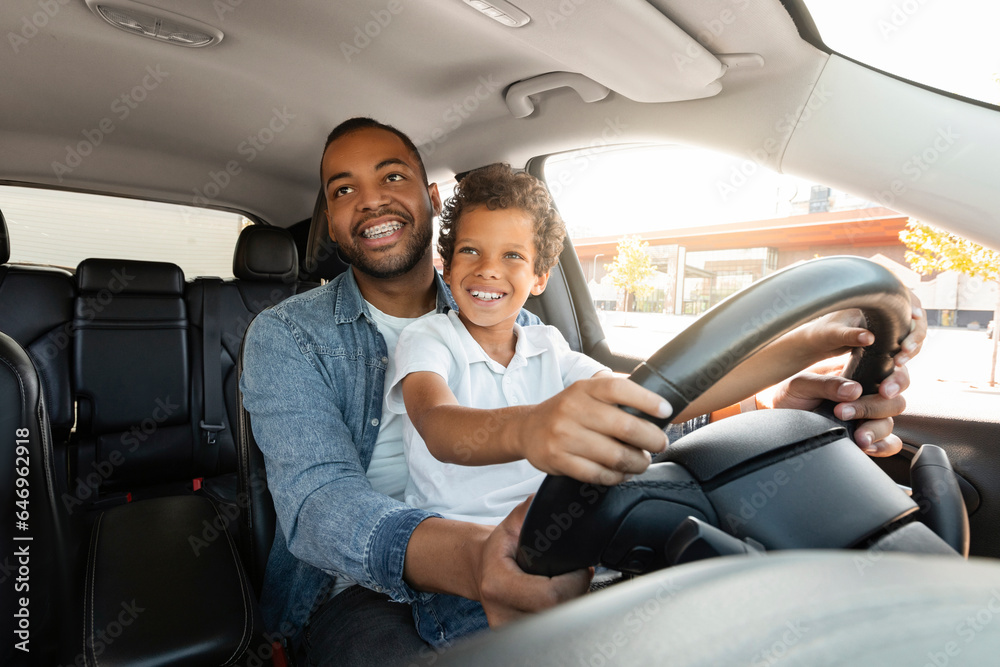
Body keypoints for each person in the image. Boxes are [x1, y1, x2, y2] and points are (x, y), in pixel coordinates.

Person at [239, 117, 927, 666]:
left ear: (429, 198)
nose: (369, 200)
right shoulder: (289, 336)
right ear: (328, 224)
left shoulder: (527, 330)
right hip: (366, 584)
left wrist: (778, 391)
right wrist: (476, 557)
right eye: (342, 189)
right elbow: (321, 506)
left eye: (391, 176)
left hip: (547, 542)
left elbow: (627, 403)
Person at [386, 162, 900, 647]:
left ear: (541, 277)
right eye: (471, 252)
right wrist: (529, 428)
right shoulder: (430, 338)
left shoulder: (548, 347)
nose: (488, 271)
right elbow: (438, 425)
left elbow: (651, 401)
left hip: (568, 544)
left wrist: (806, 344)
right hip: (468, 577)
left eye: (512, 256)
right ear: (446, 265)